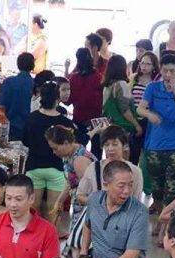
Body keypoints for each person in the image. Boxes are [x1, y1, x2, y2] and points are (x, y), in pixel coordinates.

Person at [137, 50, 175, 215]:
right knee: (156, 184)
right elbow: (140, 108)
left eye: (172, 71)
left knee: (173, 186)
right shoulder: (152, 87)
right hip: (154, 145)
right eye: (165, 71)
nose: (168, 75)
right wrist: (149, 114)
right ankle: (158, 207)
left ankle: (167, 218)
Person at [22, 81, 76, 220]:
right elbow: (72, 146)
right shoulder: (65, 122)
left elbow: (25, 141)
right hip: (57, 168)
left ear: (41, 97)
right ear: (57, 99)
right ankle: (50, 234)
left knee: (31, 213)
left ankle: (32, 235)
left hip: (34, 166)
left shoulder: (31, 118)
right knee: (53, 212)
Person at [45, 125, 96, 243]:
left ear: (66, 143)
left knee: (79, 242)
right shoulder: (68, 155)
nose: (54, 152)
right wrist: (59, 201)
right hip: (80, 205)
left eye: (55, 148)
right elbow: (70, 182)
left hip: (86, 209)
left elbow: (90, 191)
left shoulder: (79, 160)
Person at [103, 54, 143, 161]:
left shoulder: (107, 86)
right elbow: (125, 109)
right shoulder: (121, 84)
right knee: (125, 160)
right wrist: (137, 125)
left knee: (112, 159)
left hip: (111, 126)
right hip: (123, 129)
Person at [68, 47, 104, 156]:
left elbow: (69, 100)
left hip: (79, 117)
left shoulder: (73, 78)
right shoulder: (99, 77)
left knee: (78, 147)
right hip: (95, 118)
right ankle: (95, 166)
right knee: (96, 149)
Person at [0, 52, 35, 142]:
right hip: (29, 128)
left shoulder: (8, 82)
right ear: (33, 66)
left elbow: (2, 106)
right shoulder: (35, 84)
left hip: (10, 127)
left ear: (18, 65)